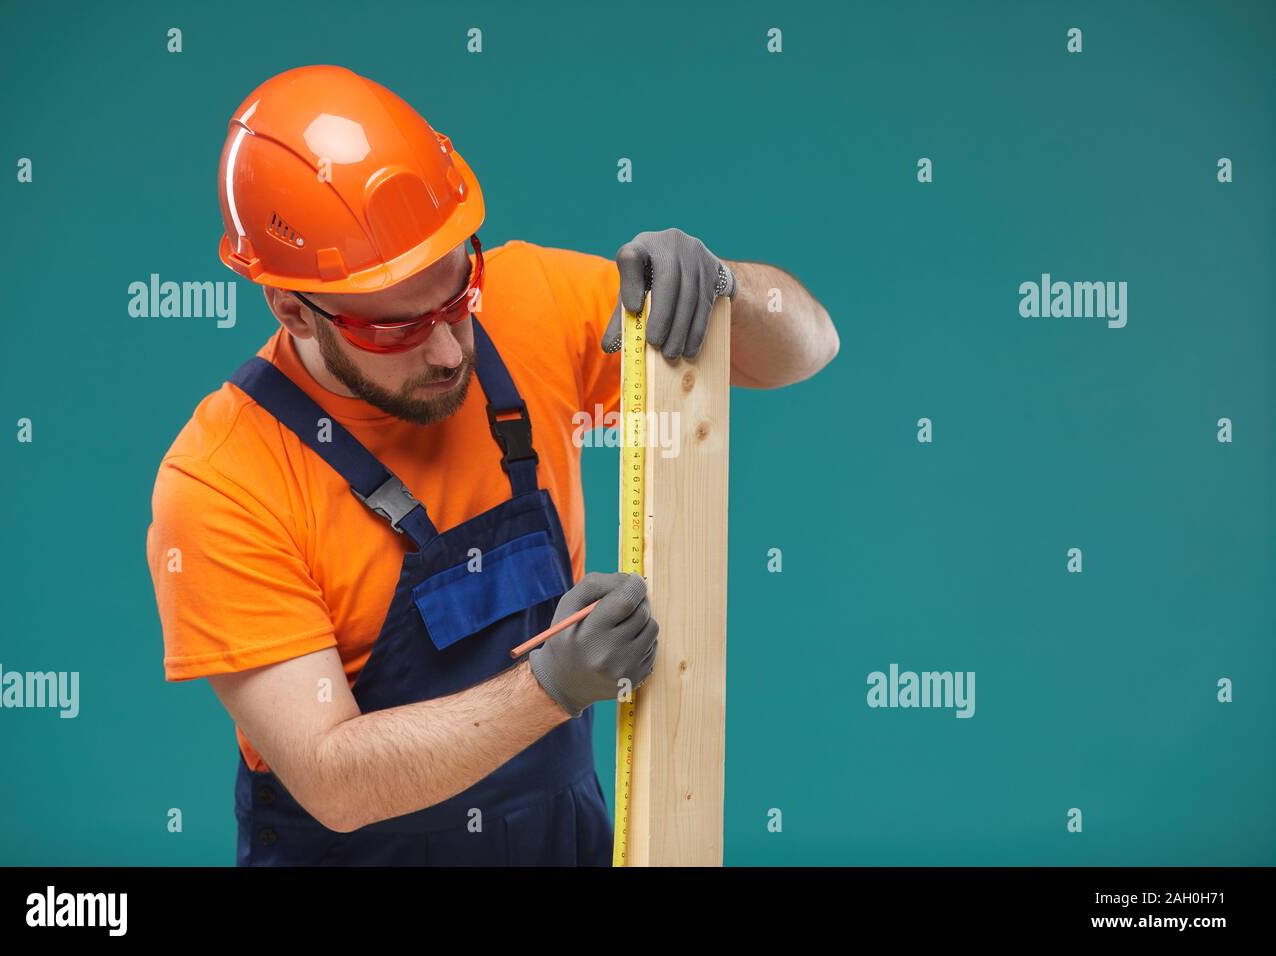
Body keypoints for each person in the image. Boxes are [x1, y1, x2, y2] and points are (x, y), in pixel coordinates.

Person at [146, 64, 838, 866]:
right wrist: (548, 688)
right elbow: (334, 781)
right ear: (293, 307)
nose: (449, 351)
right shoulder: (222, 481)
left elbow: (809, 347)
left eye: (455, 297)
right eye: (396, 330)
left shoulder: (529, 301)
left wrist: (725, 288)